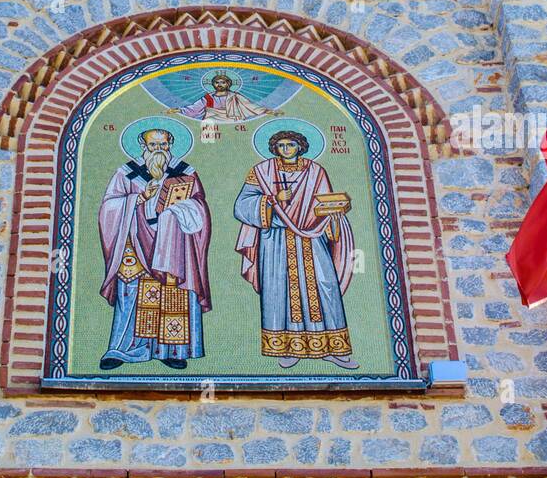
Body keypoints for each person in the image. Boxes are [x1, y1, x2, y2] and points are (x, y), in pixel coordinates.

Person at [234, 129, 357, 369]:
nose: (286, 149)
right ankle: (286, 347)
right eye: (281, 146)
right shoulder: (261, 171)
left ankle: (333, 348)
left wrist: (334, 212)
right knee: (279, 288)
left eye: (291, 144)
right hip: (276, 239)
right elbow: (241, 205)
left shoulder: (315, 171)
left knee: (324, 286)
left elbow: (325, 201)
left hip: (312, 238)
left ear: (300, 146)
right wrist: (271, 200)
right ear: (274, 148)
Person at [98, 126, 211, 370]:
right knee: (131, 294)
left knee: (174, 294)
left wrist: (180, 209)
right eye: (153, 145)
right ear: (143, 145)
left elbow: (201, 207)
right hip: (136, 241)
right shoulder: (127, 173)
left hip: (173, 244)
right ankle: (121, 348)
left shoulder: (185, 172)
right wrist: (138, 199)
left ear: (171, 144)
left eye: (163, 145)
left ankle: (172, 350)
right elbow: (109, 207)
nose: (158, 150)